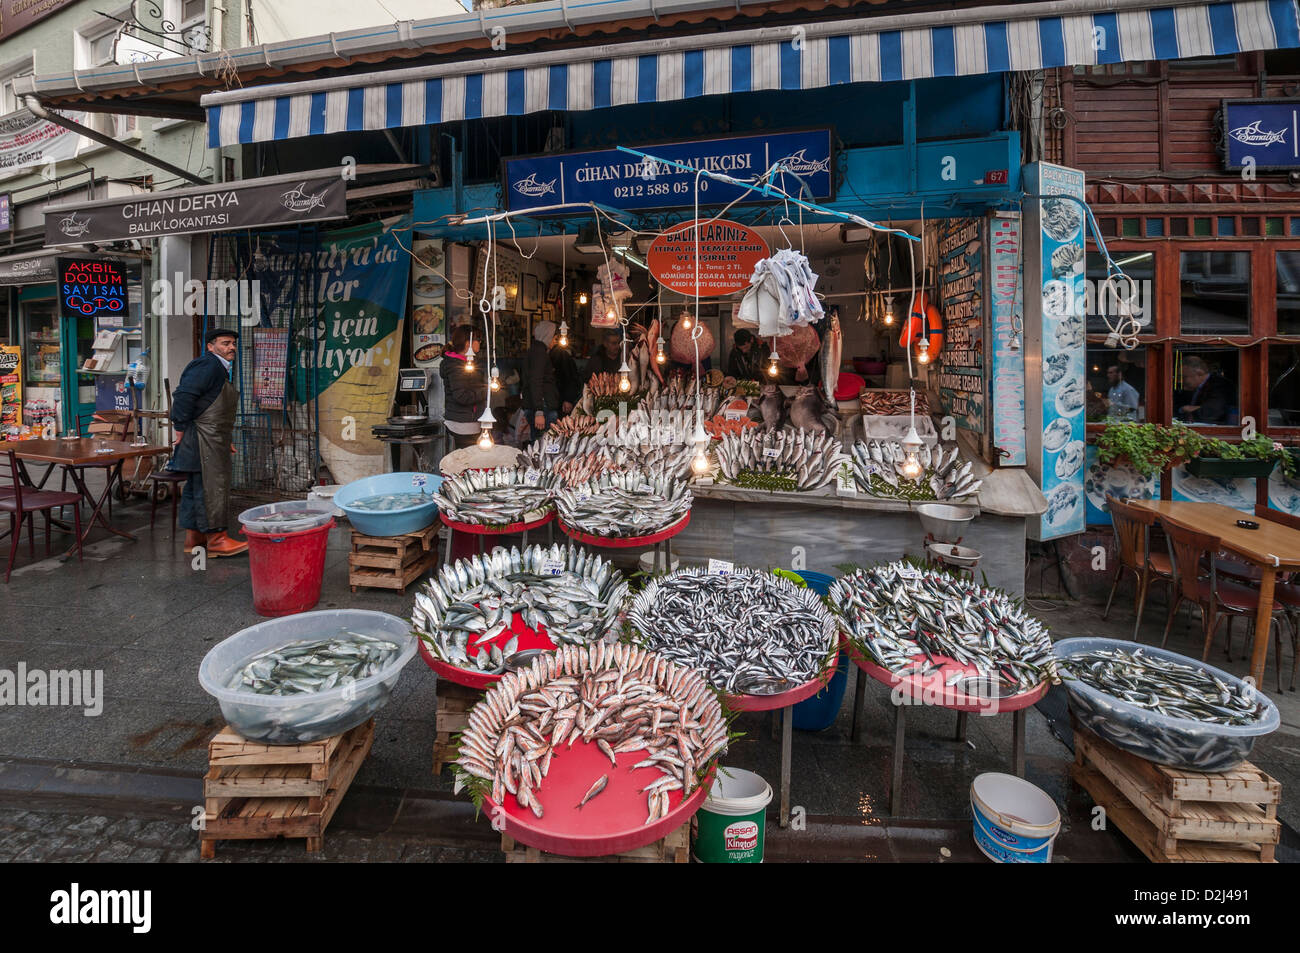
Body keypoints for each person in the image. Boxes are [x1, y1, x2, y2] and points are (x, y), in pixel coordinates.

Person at [169, 328, 246, 557]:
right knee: (212, 489)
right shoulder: (208, 365)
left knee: (196, 489)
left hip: (212, 438)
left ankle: (194, 541)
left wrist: (226, 438)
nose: (231, 347)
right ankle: (216, 539)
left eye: (233, 343)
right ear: (210, 347)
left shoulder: (220, 369)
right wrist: (180, 427)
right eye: (225, 343)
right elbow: (184, 396)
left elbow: (213, 408)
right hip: (202, 439)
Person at [440, 325, 488, 448]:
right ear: (468, 343)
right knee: (467, 459)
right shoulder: (456, 366)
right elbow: (461, 396)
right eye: (478, 340)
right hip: (463, 423)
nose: (480, 343)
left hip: (468, 420)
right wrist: (486, 390)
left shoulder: (467, 362)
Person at [523, 320, 562, 435]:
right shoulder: (539, 353)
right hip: (543, 407)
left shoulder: (536, 351)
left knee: (542, 443)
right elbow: (536, 380)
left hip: (540, 406)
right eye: (554, 339)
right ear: (547, 336)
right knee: (544, 443)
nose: (555, 343)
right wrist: (539, 411)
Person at [1177, 355, 1232, 425]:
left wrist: (1191, 409)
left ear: (1199, 373)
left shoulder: (1219, 385)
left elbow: (1212, 412)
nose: (1181, 381)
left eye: (1184, 377)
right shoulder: (1195, 387)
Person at [551, 339, 582, 415]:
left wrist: (568, 399)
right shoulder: (541, 354)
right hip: (550, 402)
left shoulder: (561, 355)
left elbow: (571, 377)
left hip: (560, 402)